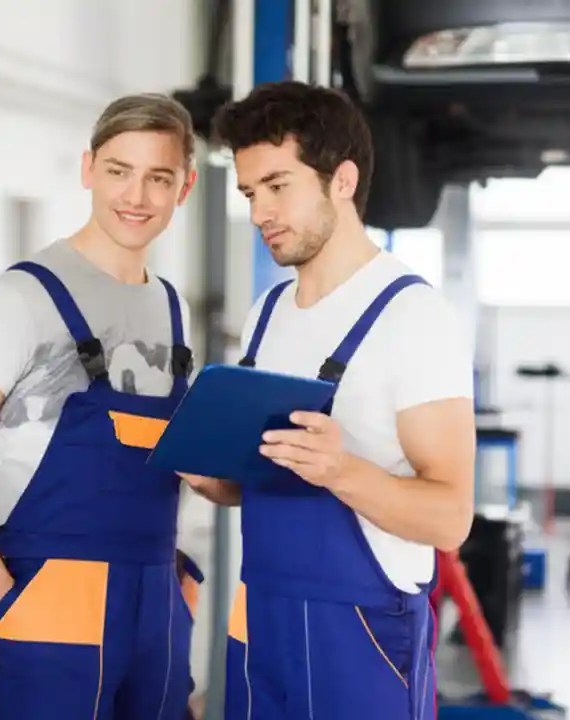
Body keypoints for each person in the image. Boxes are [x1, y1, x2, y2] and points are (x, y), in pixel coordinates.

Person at [0, 93, 204, 720]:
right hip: (49, 603)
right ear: (87, 168)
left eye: (160, 178)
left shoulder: (173, 310)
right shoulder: (19, 298)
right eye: (120, 171)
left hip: (156, 603)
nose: (137, 196)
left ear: (186, 187)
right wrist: (6, 601)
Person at [187, 81, 476, 719]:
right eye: (249, 193)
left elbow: (450, 516)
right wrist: (217, 481)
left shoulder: (413, 316)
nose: (260, 211)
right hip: (257, 617)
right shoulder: (268, 312)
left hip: (362, 634)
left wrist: (342, 471)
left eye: (278, 185)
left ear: (341, 180)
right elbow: (264, 475)